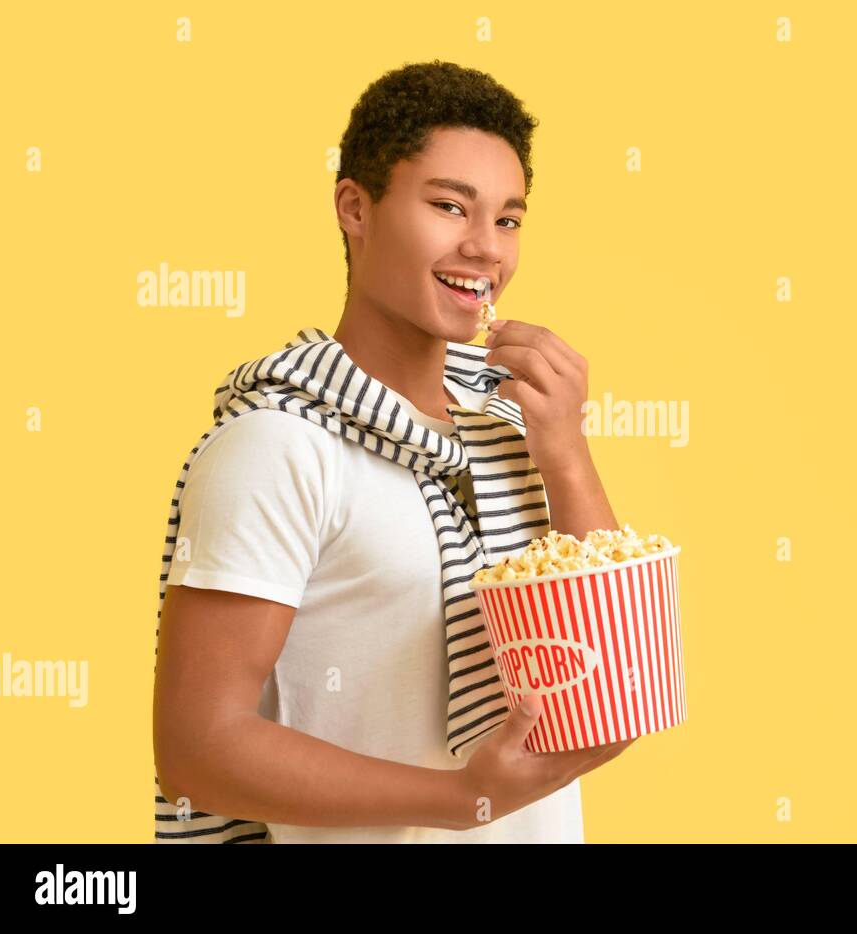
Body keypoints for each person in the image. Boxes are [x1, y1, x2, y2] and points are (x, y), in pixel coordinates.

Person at [152, 60, 632, 843]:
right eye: (450, 207)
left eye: (509, 220)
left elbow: (615, 675)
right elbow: (198, 749)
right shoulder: (277, 447)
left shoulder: (512, 425)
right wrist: (461, 797)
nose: (485, 249)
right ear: (355, 208)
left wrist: (567, 450)